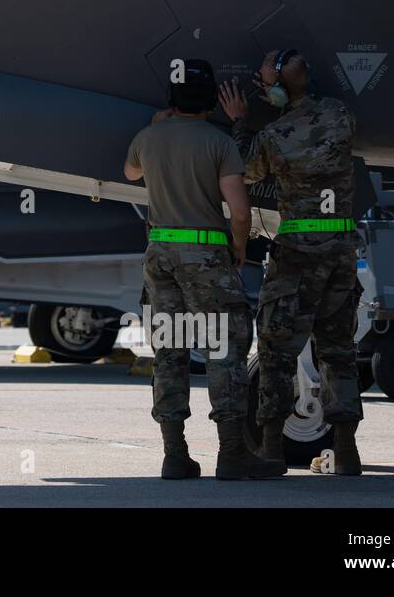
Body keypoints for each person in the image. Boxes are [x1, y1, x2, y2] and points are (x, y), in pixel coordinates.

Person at [125, 60, 285, 480]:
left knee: (169, 352)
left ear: (170, 100)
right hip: (206, 258)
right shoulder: (219, 143)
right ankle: (232, 453)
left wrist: (157, 126)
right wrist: (237, 247)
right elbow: (240, 210)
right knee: (224, 349)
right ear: (212, 100)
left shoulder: (148, 138)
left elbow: (131, 172)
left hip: (159, 258)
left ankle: (174, 455)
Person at [219, 50, 364, 476]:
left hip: (299, 251)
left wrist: (241, 120)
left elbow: (244, 170)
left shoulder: (274, 135)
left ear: (278, 90)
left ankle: (271, 450)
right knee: (337, 352)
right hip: (340, 247)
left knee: (277, 351)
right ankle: (346, 450)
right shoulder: (340, 114)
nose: (260, 84)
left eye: (263, 80)